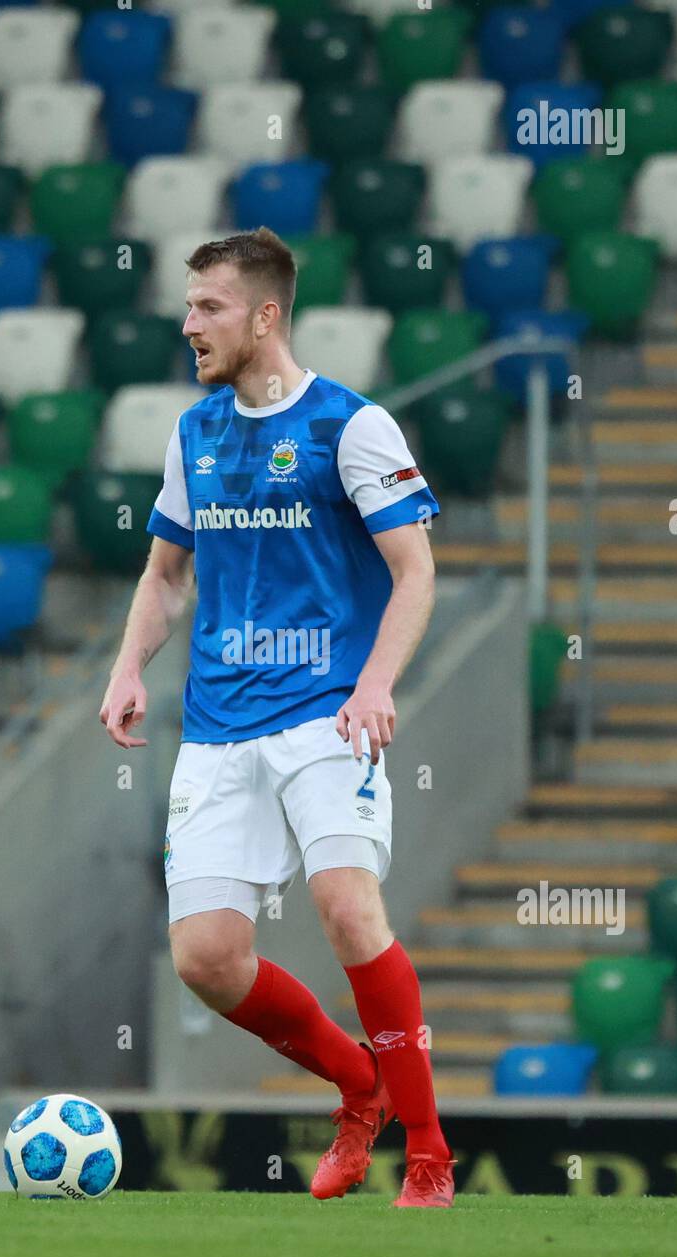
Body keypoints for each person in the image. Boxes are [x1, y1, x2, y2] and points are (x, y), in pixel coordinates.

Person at [101, 227, 455, 1207]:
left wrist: (375, 685)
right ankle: (358, 1088)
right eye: (187, 305)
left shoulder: (354, 425)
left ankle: (427, 1153)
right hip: (217, 725)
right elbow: (167, 575)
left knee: (347, 907)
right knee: (207, 960)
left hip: (326, 716)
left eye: (208, 306)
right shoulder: (194, 435)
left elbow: (414, 570)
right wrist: (131, 663)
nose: (188, 325)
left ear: (264, 314)